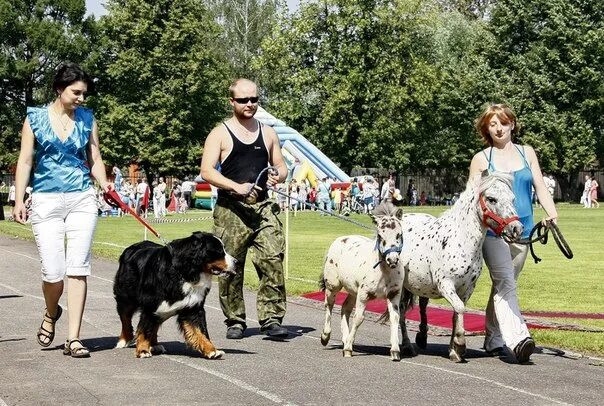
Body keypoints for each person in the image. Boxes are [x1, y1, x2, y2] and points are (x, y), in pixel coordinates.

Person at [12, 62, 111, 358]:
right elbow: (25, 161)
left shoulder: (87, 119)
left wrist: (104, 185)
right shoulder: (35, 118)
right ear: (59, 88)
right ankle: (51, 311)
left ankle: (74, 338)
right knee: (53, 274)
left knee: (78, 269)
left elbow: (94, 156)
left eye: (84, 93)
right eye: (76, 92)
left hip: (81, 198)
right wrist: (18, 199)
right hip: (46, 199)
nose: (81, 98)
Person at [200, 78, 289, 339]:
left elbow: (282, 167)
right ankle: (235, 320)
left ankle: (271, 318)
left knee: (272, 259)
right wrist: (235, 186)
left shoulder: (268, 132)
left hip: (263, 209)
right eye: (243, 100)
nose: (250, 104)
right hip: (232, 209)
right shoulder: (220, 133)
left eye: (254, 99)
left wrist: (278, 175)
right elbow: (206, 171)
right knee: (230, 266)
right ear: (232, 102)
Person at [469, 103, 557, 364]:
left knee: (503, 284)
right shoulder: (482, 159)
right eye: (493, 124)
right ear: (487, 129)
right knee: (505, 281)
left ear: (512, 124)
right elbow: (471, 198)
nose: (499, 128)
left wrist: (551, 213)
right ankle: (518, 339)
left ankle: (492, 338)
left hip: (525, 230)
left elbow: (540, 186)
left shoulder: (527, 152)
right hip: (496, 233)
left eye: (503, 123)